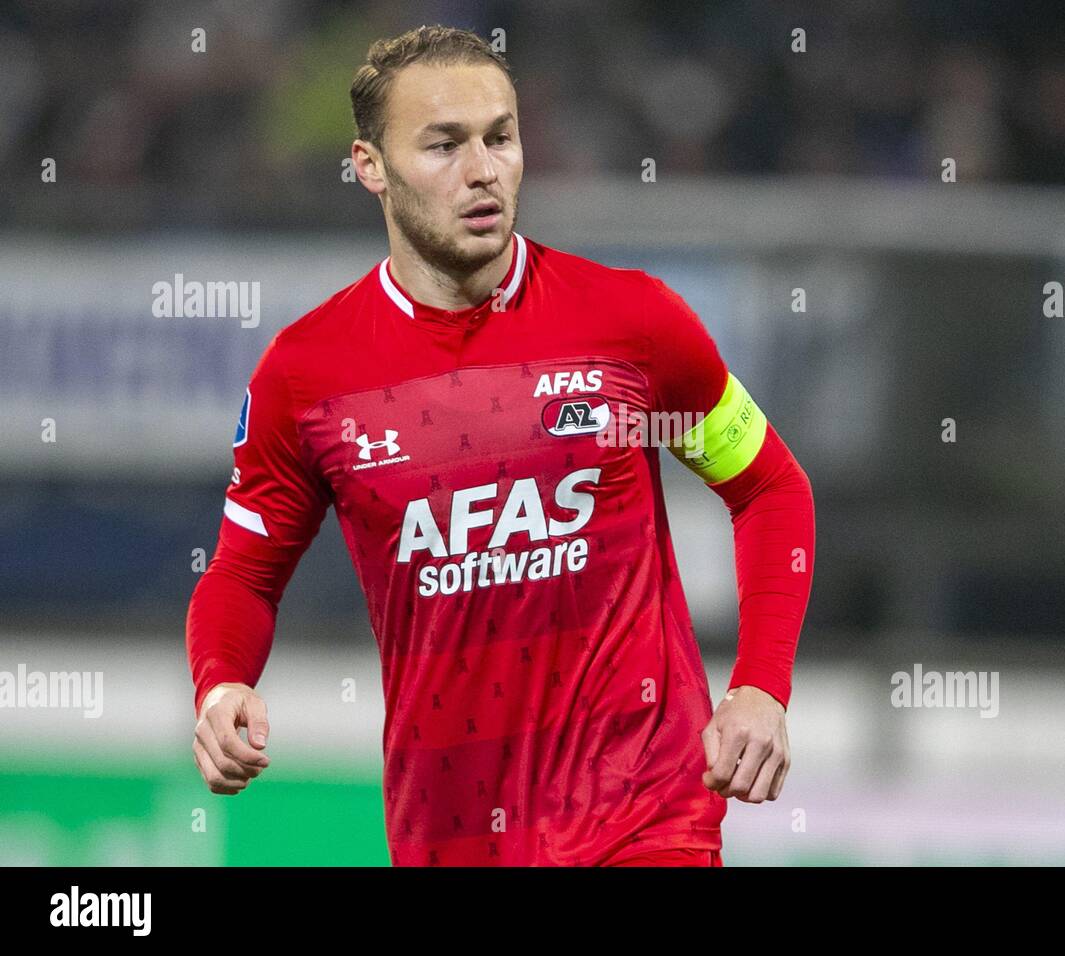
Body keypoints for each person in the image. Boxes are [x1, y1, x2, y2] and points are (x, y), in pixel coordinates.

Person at [186, 24, 815, 867]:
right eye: (444, 145)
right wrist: (223, 679)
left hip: (644, 815)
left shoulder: (631, 324)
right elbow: (242, 573)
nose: (483, 170)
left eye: (501, 137)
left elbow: (769, 487)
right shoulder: (307, 376)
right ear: (369, 166)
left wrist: (759, 688)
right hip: (447, 832)